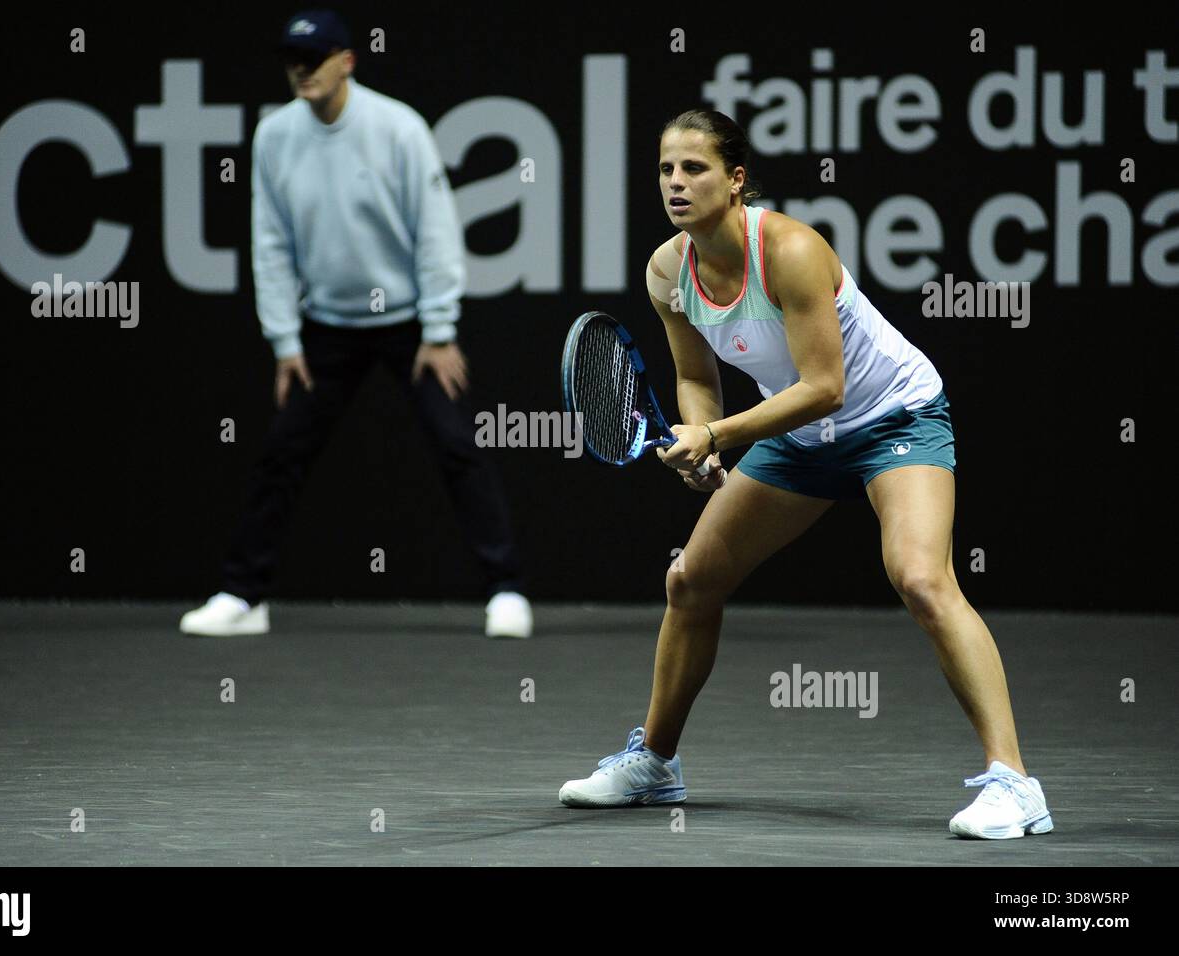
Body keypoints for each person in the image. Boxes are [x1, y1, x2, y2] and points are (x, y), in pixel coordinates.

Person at [557, 109, 1053, 839]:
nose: (675, 183)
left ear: (735, 180)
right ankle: (655, 763)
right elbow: (695, 378)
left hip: (893, 417)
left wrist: (717, 434)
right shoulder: (668, 272)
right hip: (798, 435)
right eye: (665, 169)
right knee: (690, 580)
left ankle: (1015, 784)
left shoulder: (789, 250)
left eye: (694, 168)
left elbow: (826, 387)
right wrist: (704, 443)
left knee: (920, 577)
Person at [181, 10, 531, 639]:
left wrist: (439, 329)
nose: (301, 70)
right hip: (326, 326)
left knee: (456, 445)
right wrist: (285, 341)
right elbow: (270, 241)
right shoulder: (274, 137)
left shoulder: (398, 128)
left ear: (347, 61)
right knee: (282, 451)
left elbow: (435, 230)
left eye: (313, 58)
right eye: (292, 60)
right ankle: (242, 597)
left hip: (410, 326)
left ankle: (505, 592)